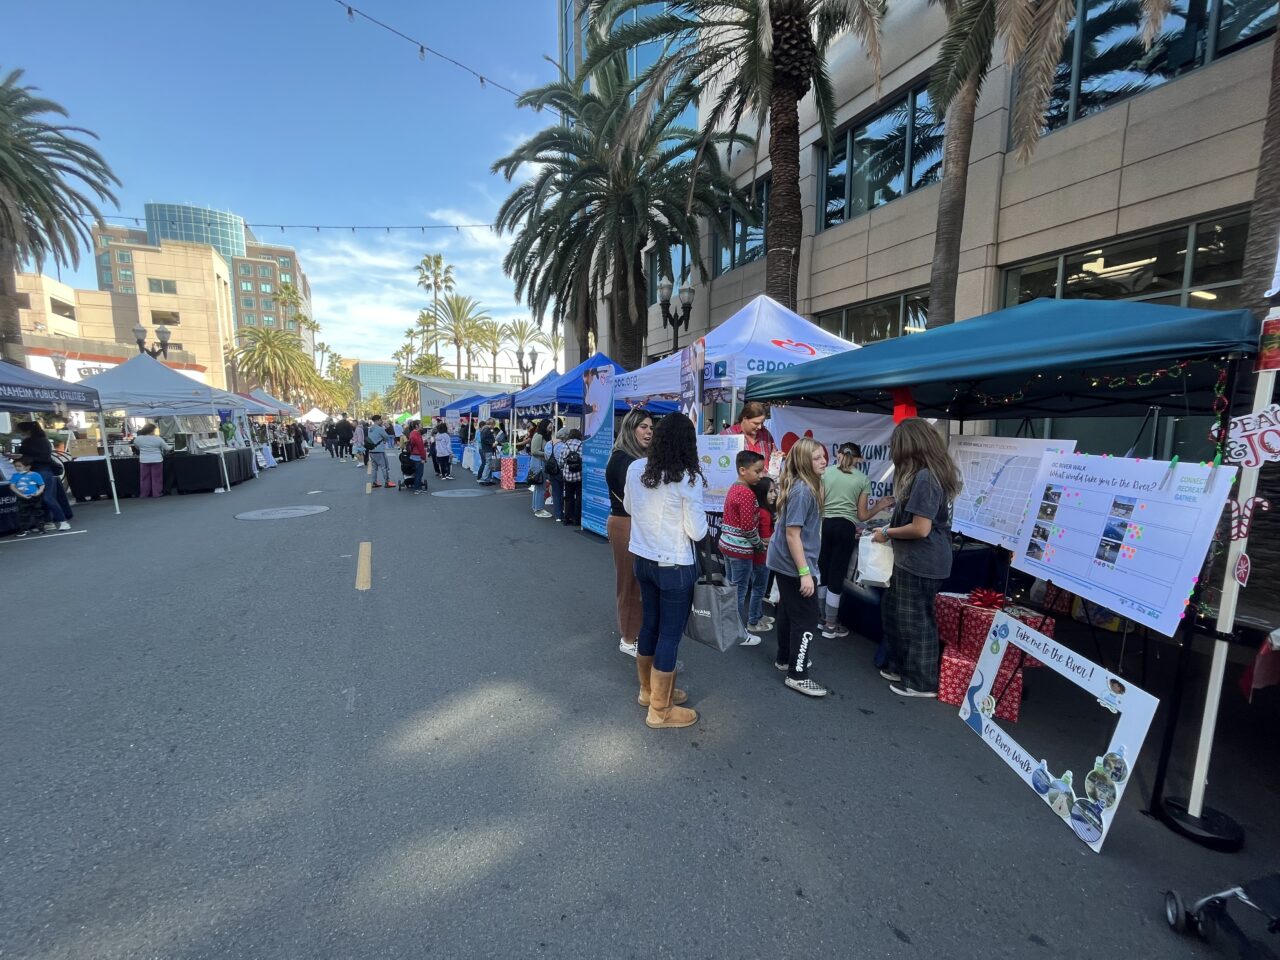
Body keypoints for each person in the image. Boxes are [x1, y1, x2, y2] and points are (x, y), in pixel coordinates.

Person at [625, 413, 706, 729]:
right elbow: (697, 532)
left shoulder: (635, 469)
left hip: (643, 560)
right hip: (675, 564)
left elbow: (631, 508)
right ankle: (660, 710)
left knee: (650, 626)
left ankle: (649, 692)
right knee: (669, 636)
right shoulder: (688, 477)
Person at [872, 418, 962, 699]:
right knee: (899, 615)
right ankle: (902, 668)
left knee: (917, 623)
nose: (893, 451)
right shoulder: (932, 472)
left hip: (921, 562)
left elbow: (920, 528)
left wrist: (886, 532)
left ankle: (921, 682)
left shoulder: (925, 477)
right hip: (917, 560)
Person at [766, 437, 828, 697]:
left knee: (789, 611)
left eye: (823, 455)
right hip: (793, 563)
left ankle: (785, 659)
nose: (823, 460)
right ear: (804, 461)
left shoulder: (806, 486)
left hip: (785, 560)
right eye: (816, 457)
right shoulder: (803, 490)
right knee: (806, 617)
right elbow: (793, 534)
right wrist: (805, 574)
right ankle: (797, 673)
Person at [819, 442, 895, 639]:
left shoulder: (825, 473)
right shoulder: (862, 479)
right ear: (859, 459)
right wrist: (880, 505)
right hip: (846, 528)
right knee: (837, 575)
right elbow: (862, 515)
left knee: (823, 570)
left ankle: (820, 618)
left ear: (838, 454)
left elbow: (818, 503)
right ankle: (830, 624)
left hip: (825, 525)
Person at [606, 408, 653, 657]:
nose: (648, 432)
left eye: (651, 427)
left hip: (635, 524)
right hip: (626, 523)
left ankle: (635, 631)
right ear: (630, 428)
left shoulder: (635, 458)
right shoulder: (622, 460)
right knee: (629, 583)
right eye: (643, 427)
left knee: (639, 582)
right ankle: (628, 637)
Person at [718, 450, 768, 643]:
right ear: (742, 470)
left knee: (731, 588)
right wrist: (758, 544)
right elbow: (748, 527)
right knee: (739, 591)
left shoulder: (734, 487)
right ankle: (739, 632)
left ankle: (728, 625)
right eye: (757, 471)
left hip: (727, 545)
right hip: (740, 550)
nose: (761, 475)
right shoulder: (747, 493)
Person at [10, 421, 71, 529]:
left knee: (45, 498)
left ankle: (58, 521)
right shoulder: (44, 441)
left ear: (27, 431)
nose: (18, 433)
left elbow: (37, 458)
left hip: (38, 471)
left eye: (20, 431)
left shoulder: (29, 443)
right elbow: (45, 457)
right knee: (45, 498)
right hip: (45, 471)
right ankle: (53, 521)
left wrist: (20, 456)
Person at [132, 423, 172, 498]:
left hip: (144, 460)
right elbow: (167, 448)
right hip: (157, 459)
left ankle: (144, 494)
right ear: (151, 430)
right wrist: (173, 446)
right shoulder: (158, 439)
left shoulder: (138, 439)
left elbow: (137, 447)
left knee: (144, 478)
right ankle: (157, 493)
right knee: (157, 478)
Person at [9, 457, 46, 536]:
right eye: (16, 466)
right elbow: (12, 486)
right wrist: (21, 495)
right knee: (23, 514)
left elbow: (42, 485)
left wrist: (38, 492)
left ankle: (41, 528)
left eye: (19, 466)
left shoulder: (35, 475)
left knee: (38, 513)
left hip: (35, 497)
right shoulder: (15, 476)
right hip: (22, 498)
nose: (17, 468)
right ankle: (24, 530)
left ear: (28, 467)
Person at [559, 428, 584, 527]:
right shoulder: (582, 445)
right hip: (579, 475)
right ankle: (577, 520)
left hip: (567, 475)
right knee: (579, 497)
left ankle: (567, 518)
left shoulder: (565, 445)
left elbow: (561, 461)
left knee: (568, 497)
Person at [530, 419, 552, 517]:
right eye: (549, 427)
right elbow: (534, 451)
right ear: (545, 426)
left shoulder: (541, 435)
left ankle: (536, 508)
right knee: (540, 487)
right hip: (538, 463)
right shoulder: (539, 436)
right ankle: (539, 509)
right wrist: (547, 454)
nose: (551, 429)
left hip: (539, 463)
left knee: (538, 487)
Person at [368, 415, 394, 488]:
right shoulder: (380, 429)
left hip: (371, 450)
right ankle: (387, 482)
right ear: (377, 420)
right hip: (379, 450)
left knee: (374, 468)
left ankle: (374, 482)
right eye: (380, 420)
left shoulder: (370, 429)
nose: (381, 421)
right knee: (384, 467)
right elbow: (386, 437)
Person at [548, 427, 568, 521]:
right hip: (560, 470)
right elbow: (563, 459)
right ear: (565, 436)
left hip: (551, 470)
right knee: (562, 492)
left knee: (556, 492)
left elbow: (546, 456)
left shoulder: (549, 443)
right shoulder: (562, 446)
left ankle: (557, 515)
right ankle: (562, 512)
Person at [406, 420, 428, 494]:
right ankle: (417, 489)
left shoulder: (412, 433)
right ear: (416, 426)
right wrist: (423, 458)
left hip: (413, 455)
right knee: (419, 473)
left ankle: (416, 486)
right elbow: (420, 447)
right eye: (420, 424)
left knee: (416, 472)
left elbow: (413, 444)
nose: (421, 426)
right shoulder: (416, 434)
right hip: (418, 455)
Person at [477, 419, 498, 485]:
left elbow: (484, 438)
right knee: (488, 464)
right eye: (494, 424)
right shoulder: (487, 429)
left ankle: (487, 479)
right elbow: (484, 439)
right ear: (491, 424)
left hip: (486, 449)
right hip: (488, 449)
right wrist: (492, 443)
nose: (494, 426)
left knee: (488, 463)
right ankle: (484, 478)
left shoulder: (484, 429)